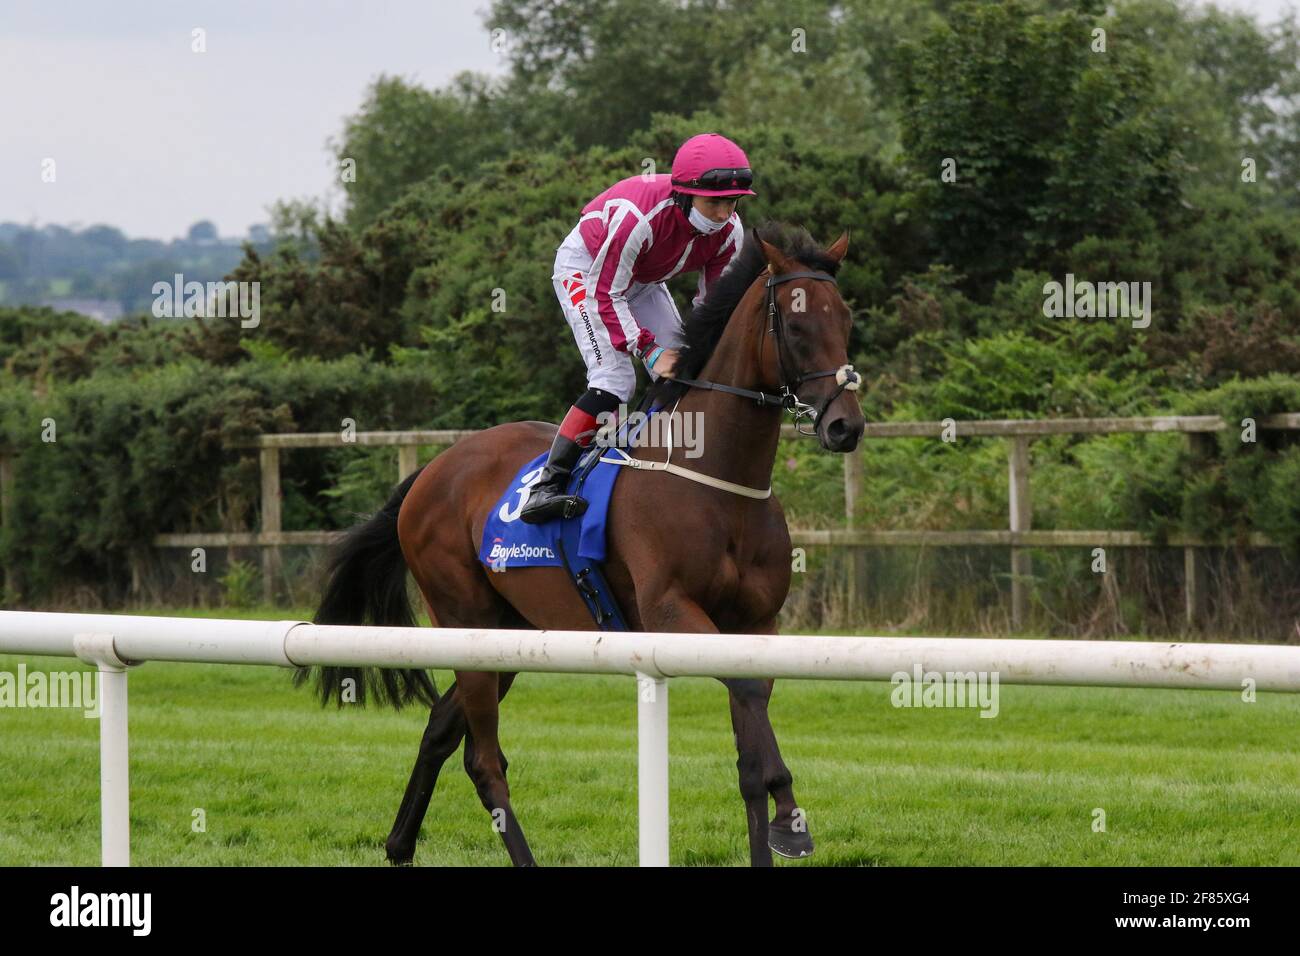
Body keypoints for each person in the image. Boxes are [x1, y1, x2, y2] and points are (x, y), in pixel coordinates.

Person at [519, 132, 755, 524]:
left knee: (686, 370)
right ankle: (548, 485)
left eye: (732, 202)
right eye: (714, 202)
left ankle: (660, 457)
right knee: (615, 379)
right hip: (588, 272)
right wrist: (648, 349)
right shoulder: (639, 219)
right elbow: (606, 293)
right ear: (684, 194)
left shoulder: (730, 233)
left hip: (640, 281)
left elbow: (713, 307)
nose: (723, 213)